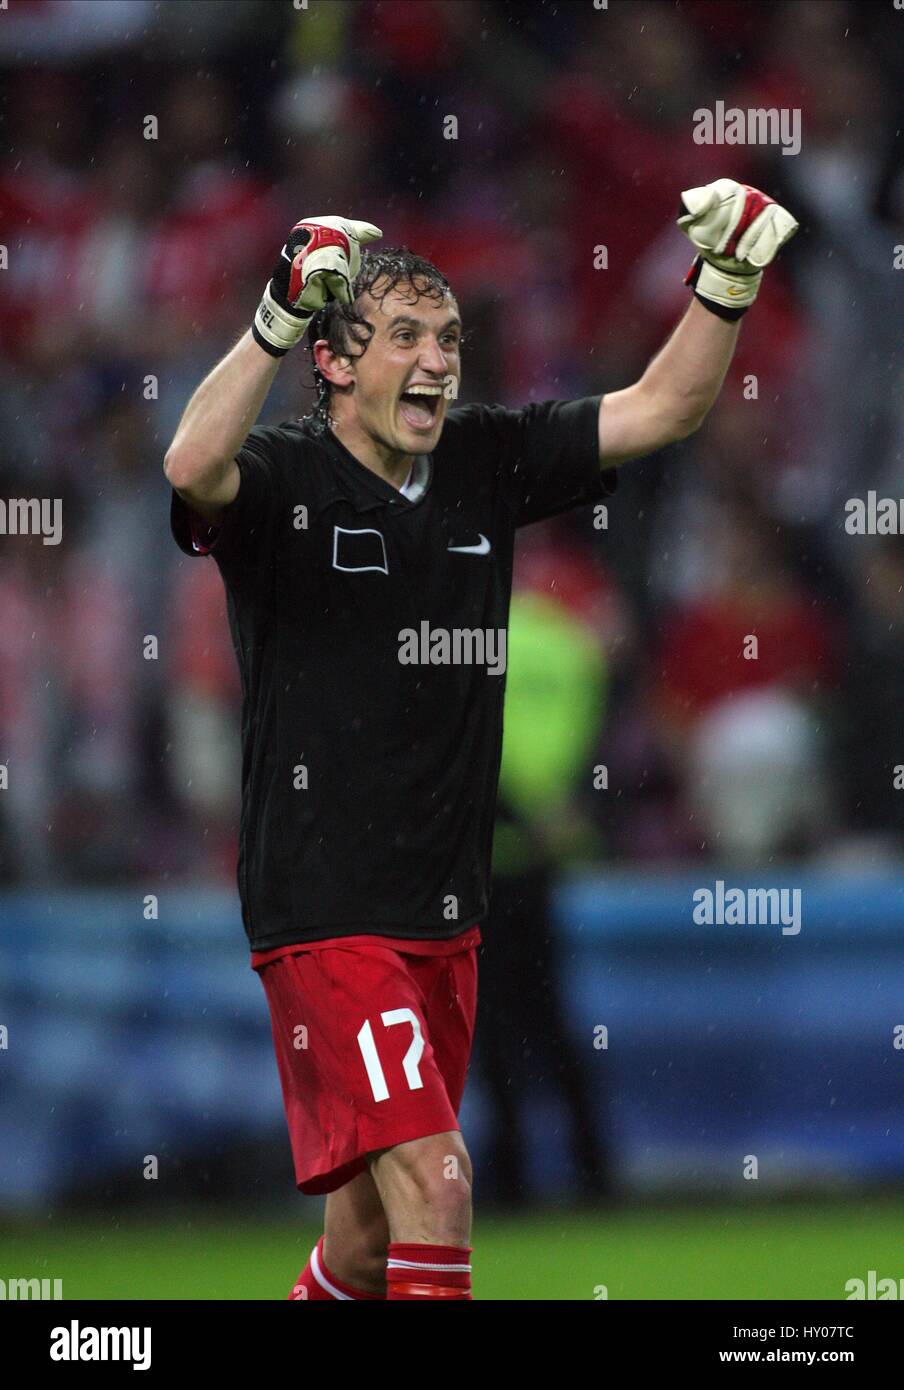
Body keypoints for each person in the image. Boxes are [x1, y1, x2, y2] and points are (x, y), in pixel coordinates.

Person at [164, 186, 797, 1300]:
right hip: (326, 907)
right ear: (335, 364)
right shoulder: (285, 480)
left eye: (448, 337)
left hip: (445, 912)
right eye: (402, 335)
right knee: (444, 1180)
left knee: (363, 1244)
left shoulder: (483, 459)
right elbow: (188, 469)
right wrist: (274, 313)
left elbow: (661, 408)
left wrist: (726, 280)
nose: (436, 358)